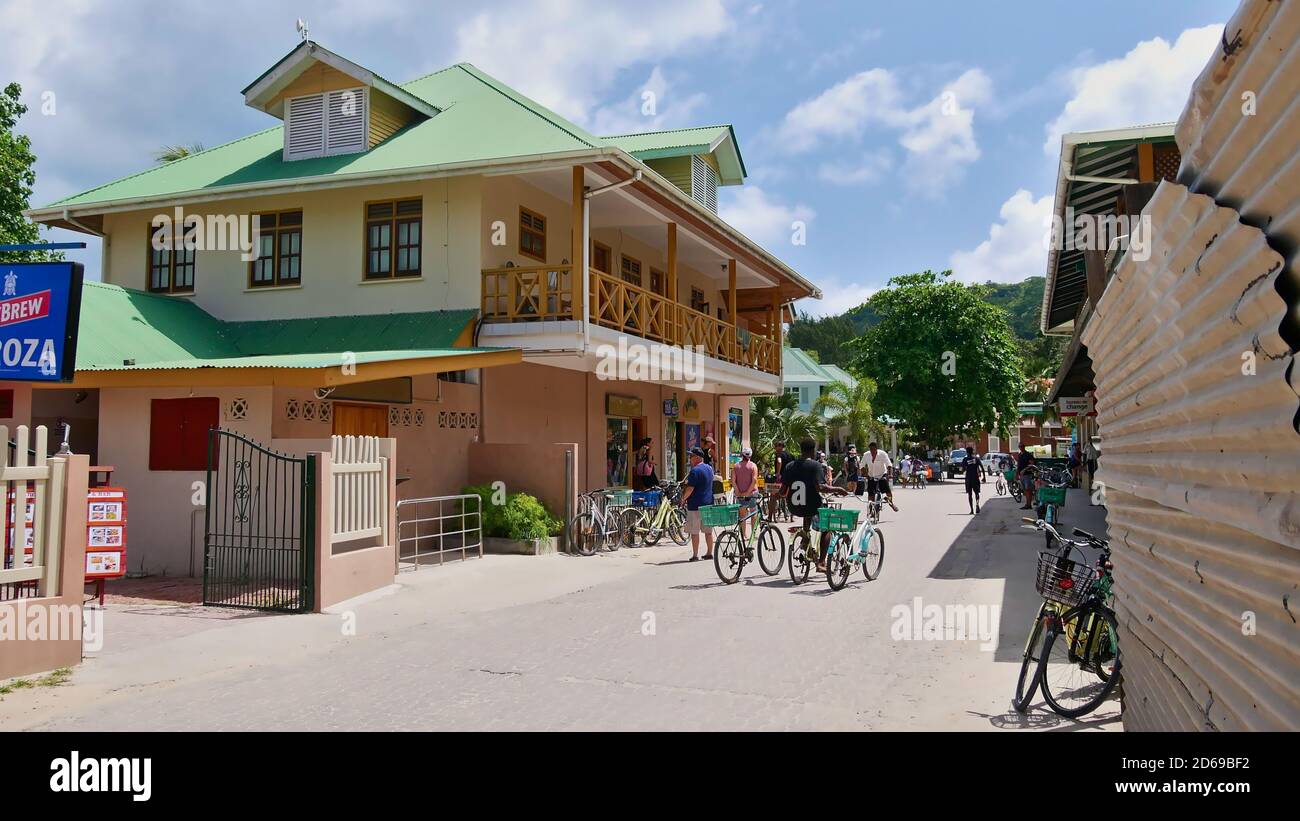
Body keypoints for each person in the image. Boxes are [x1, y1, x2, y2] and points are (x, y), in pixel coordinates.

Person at [780, 438, 848, 572]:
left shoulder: (790, 466)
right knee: (827, 528)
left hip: (793, 507)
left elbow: (782, 491)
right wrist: (837, 489)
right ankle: (821, 562)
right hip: (812, 505)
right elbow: (820, 487)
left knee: (807, 513)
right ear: (812, 450)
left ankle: (805, 539)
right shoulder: (815, 466)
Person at [680, 447, 715, 561]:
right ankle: (709, 553)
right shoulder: (710, 469)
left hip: (695, 505)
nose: (690, 458)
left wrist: (683, 499)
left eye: (692, 456)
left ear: (698, 457)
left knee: (695, 532)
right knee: (708, 531)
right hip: (708, 504)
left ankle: (695, 555)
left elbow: (690, 488)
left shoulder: (694, 471)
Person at [731, 447, 760, 541]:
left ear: (742, 455)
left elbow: (733, 481)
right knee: (753, 512)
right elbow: (754, 480)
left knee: (742, 514)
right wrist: (747, 493)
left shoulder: (736, 466)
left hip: (740, 494)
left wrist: (738, 492)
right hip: (752, 493)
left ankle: (744, 535)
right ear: (750, 455)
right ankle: (753, 534)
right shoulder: (753, 466)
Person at [863, 441, 898, 511]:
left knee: (888, 491)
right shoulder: (866, 455)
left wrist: (890, 474)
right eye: (871, 449)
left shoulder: (882, 454)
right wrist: (865, 474)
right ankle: (870, 508)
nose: (872, 451)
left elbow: (889, 464)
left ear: (876, 449)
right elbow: (861, 466)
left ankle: (891, 503)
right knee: (870, 493)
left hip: (882, 475)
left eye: (873, 449)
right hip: (871, 475)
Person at [768, 440, 792, 519]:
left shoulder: (779, 454)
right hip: (789, 480)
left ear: (780, 447)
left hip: (780, 480)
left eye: (776, 446)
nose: (775, 448)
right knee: (788, 497)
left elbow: (779, 461)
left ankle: (770, 517)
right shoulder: (790, 455)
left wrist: (778, 473)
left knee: (772, 496)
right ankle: (790, 516)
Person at [960, 442, 985, 514]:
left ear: (967, 452)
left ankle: (971, 510)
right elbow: (982, 467)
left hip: (968, 479)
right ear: (972, 451)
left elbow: (963, 469)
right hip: (975, 478)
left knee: (970, 494)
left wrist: (964, 469)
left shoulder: (965, 459)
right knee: (977, 493)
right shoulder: (976, 459)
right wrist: (984, 477)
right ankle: (977, 504)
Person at [1015, 443, 1038, 511]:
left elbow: (1032, 464)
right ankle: (1027, 504)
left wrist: (1025, 470)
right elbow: (1018, 466)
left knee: (1028, 490)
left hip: (1027, 474)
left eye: (1022, 446)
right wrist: (1016, 474)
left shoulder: (1028, 455)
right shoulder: (1020, 455)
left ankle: (1028, 504)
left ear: (1024, 447)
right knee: (1025, 490)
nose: (1021, 447)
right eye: (1019, 446)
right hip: (1021, 475)